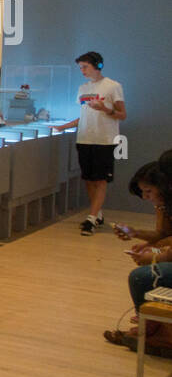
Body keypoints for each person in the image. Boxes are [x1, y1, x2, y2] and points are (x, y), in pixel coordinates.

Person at [54, 51, 126, 235]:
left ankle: (91, 218)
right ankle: (97, 214)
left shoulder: (113, 86)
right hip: (85, 138)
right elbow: (84, 116)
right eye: (81, 67)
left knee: (100, 180)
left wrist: (105, 108)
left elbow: (122, 115)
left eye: (85, 66)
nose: (83, 70)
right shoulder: (83, 88)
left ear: (98, 65)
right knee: (88, 178)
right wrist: (62, 127)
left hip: (104, 140)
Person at [104, 161, 172, 351]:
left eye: (148, 191)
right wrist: (136, 234)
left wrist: (155, 255)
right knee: (143, 275)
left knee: (141, 277)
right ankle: (153, 327)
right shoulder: (164, 205)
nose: (145, 197)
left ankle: (156, 333)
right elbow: (163, 235)